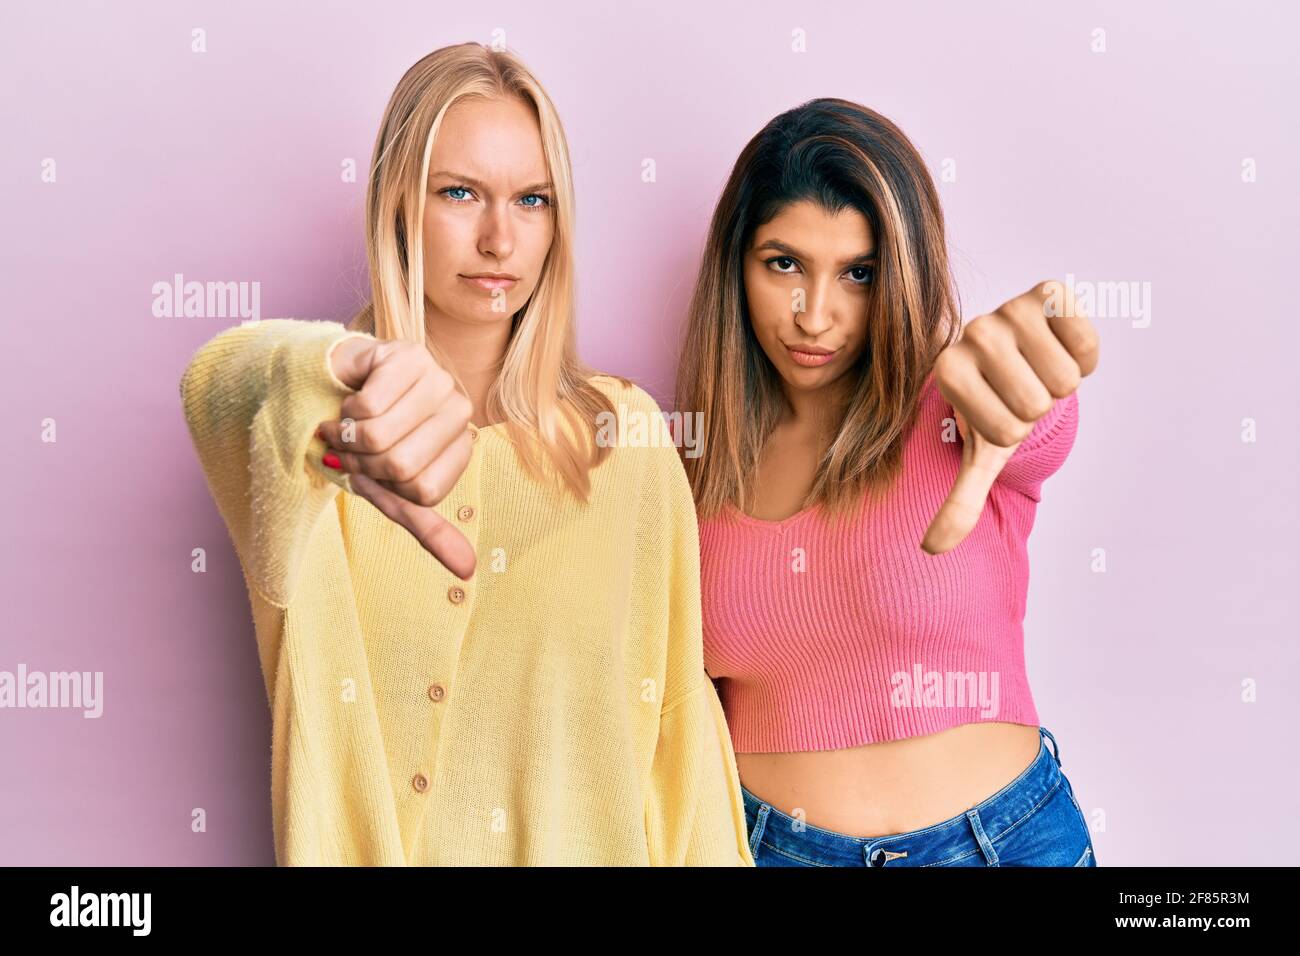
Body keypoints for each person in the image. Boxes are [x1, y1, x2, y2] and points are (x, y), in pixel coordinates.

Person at [179, 42, 752, 866]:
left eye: (532, 200)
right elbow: (218, 386)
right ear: (399, 206)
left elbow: (683, 750)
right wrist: (343, 369)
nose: (499, 239)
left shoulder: (624, 443)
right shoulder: (315, 443)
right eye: (460, 193)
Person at [675, 97, 1100, 866]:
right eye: (784, 264)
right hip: (771, 850)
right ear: (735, 266)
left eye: (859, 273)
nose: (816, 315)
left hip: (1000, 845)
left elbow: (1033, 419)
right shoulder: (692, 467)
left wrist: (1034, 367)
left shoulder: (955, 408)